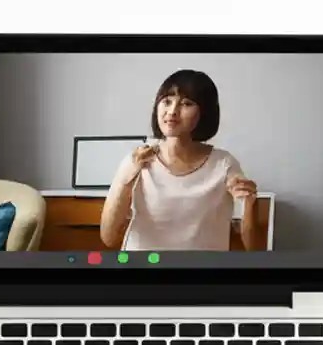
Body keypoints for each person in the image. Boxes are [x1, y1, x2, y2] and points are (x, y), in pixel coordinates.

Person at [100, 69, 263, 251]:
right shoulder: (137, 161)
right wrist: (127, 176)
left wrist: (250, 204)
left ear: (204, 113)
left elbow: (252, 249)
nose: (172, 111)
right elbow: (108, 237)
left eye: (186, 103)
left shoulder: (224, 164)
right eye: (167, 101)